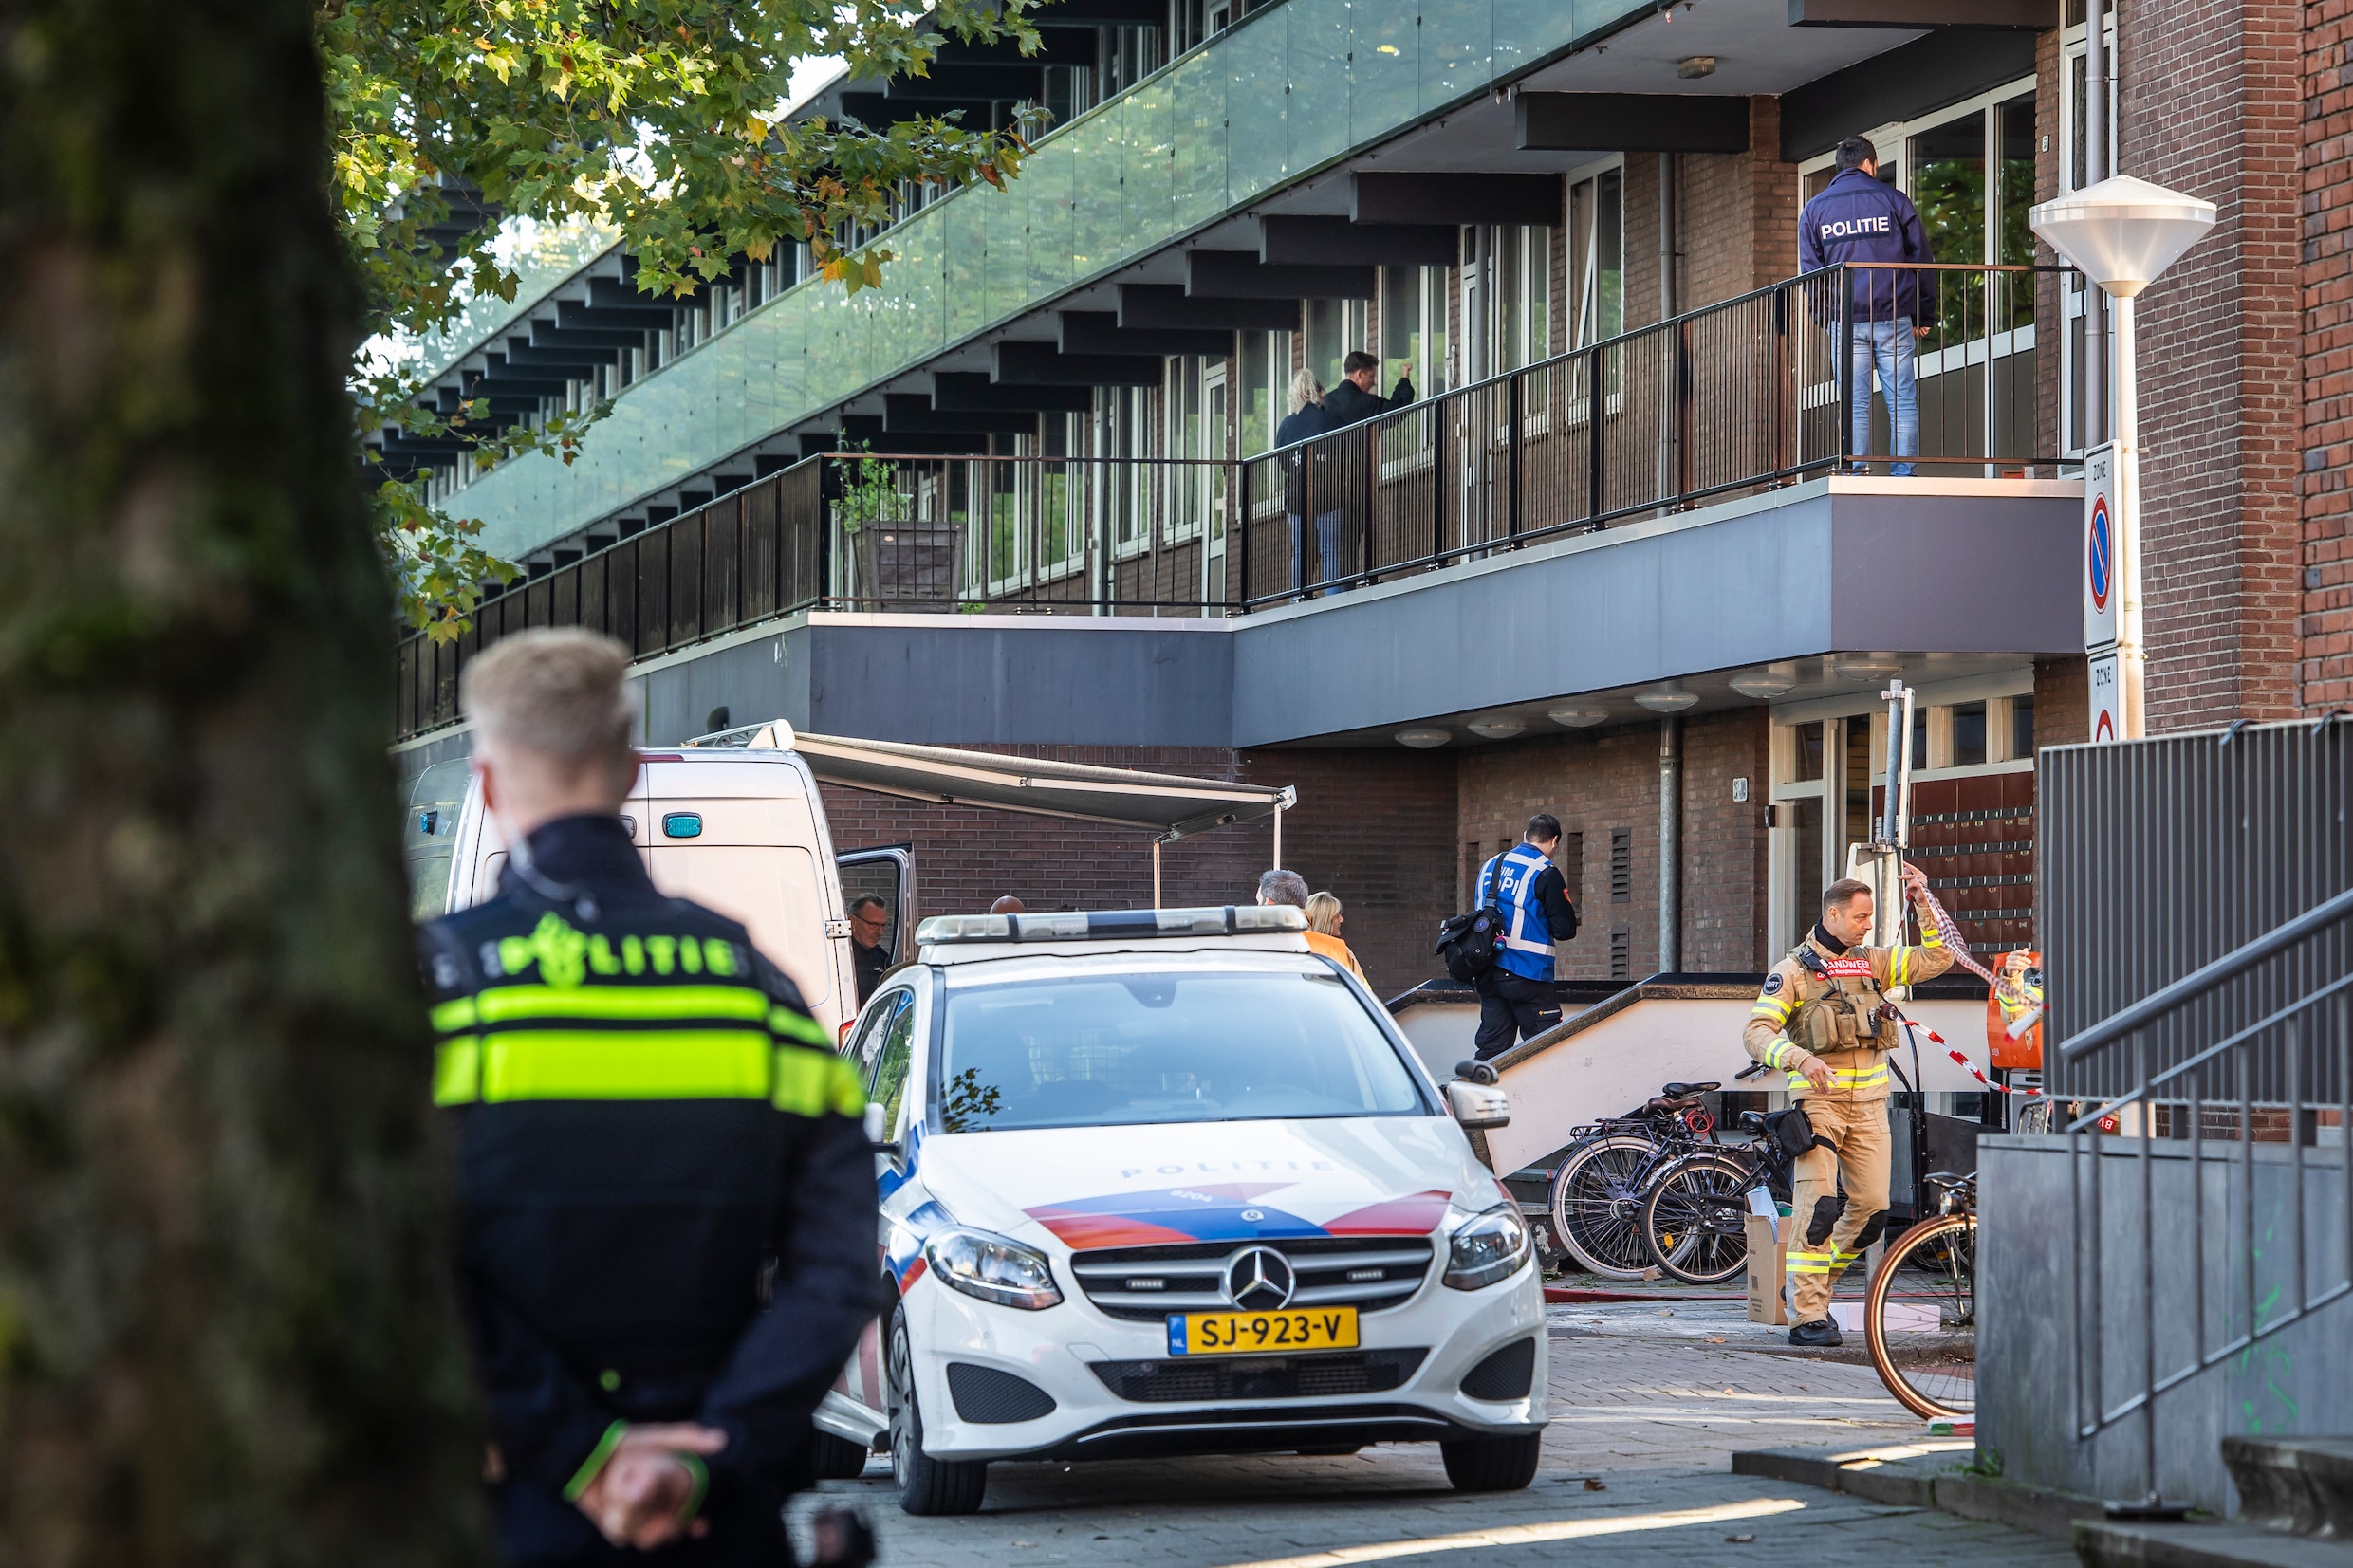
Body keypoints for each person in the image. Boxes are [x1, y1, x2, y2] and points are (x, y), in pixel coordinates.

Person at [418, 628, 879, 1564]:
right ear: (629, 772)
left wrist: (584, 1453)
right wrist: (719, 1446)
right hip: (719, 1509)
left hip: (517, 1513)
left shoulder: (441, 989)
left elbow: (399, 1259)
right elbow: (839, 1265)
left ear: (488, 783)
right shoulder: (754, 990)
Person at [1743, 864, 1953, 1348]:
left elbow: (1938, 956)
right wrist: (1798, 1058)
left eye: (1870, 916)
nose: (1867, 925)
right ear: (1832, 914)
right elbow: (1756, 1033)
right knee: (1819, 1208)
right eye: (1860, 917)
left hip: (1871, 1108)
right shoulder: (1792, 972)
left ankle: (1810, 1286)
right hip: (1820, 1107)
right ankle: (1808, 1313)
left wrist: (1923, 901)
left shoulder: (1872, 962)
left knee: (1874, 1210)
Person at [1798, 135, 1933, 477]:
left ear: (1840, 167)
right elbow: (1921, 260)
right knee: (1901, 401)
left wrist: (1826, 316)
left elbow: (1812, 273)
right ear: (1870, 164)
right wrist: (1924, 313)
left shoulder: (1815, 210)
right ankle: (1904, 474)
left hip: (1846, 320)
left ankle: (1855, 471)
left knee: (1854, 403)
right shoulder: (1894, 200)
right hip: (1893, 315)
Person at [1472, 816, 1580, 1061]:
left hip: (1488, 972)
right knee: (1545, 1050)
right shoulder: (1545, 871)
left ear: (1525, 836)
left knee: (1492, 1051)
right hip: (1528, 974)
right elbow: (1564, 929)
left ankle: (1475, 1085)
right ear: (1554, 841)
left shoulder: (1490, 865)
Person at [1277, 369, 1342, 593]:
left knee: (1300, 551)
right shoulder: (1331, 420)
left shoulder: (1287, 425)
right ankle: (1334, 599)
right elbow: (1343, 454)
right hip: (1329, 495)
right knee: (1331, 551)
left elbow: (1283, 463)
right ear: (1319, 393)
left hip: (1297, 498)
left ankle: (1298, 598)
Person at [1303, 891, 1369, 984]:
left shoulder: (1292, 944)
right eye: (1337, 916)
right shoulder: (1340, 951)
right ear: (1324, 921)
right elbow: (1360, 987)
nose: (1342, 919)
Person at [1320, 350, 1391, 429]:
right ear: (1359, 374)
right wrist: (1402, 382)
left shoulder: (1324, 402)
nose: (1373, 383)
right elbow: (1395, 409)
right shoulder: (1368, 403)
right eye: (1371, 377)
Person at [847, 893, 891, 1004]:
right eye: (873, 925)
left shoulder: (882, 959)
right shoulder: (840, 955)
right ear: (852, 922)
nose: (880, 932)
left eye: (883, 925)